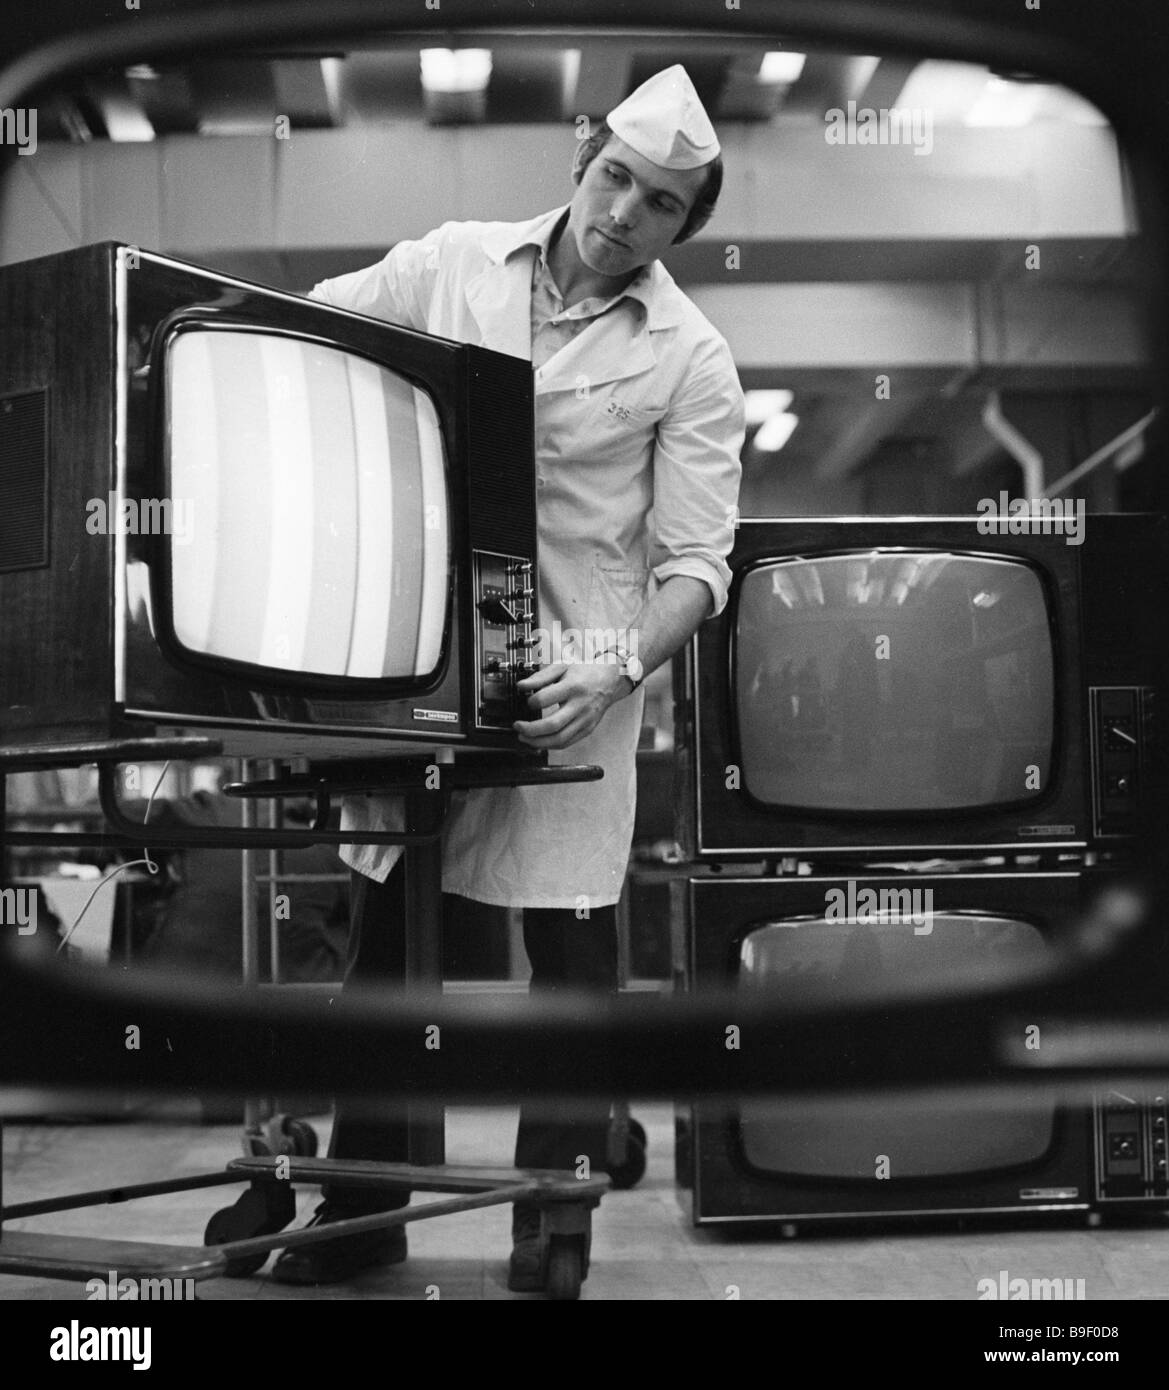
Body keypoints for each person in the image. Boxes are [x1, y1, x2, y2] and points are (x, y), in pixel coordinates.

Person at [271, 65, 744, 1290]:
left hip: (576, 668)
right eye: (612, 179)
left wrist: (613, 671)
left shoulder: (693, 359)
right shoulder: (453, 261)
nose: (620, 214)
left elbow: (696, 565)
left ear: (683, 227)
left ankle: (554, 1230)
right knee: (391, 942)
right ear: (581, 162)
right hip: (425, 658)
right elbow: (317, 326)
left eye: (656, 204)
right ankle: (356, 1217)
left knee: (574, 967)